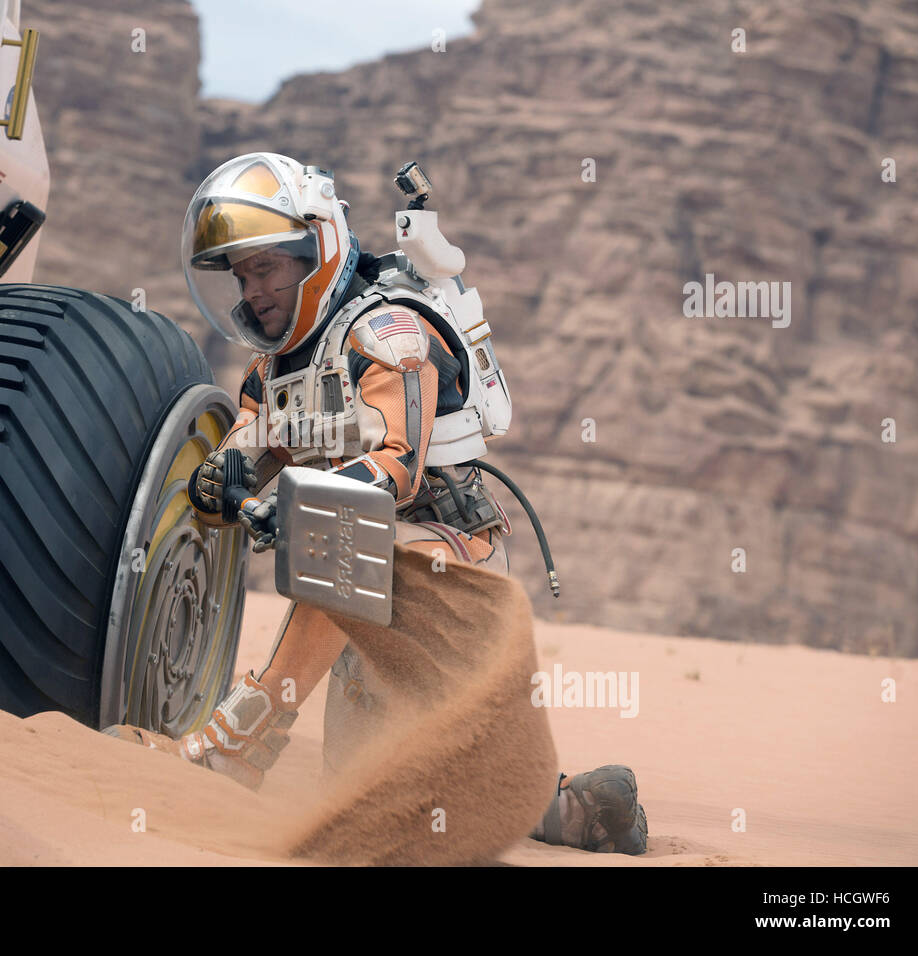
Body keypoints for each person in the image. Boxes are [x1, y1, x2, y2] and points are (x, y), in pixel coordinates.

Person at [103, 152, 647, 854]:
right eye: (241, 275)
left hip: (446, 562)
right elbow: (236, 463)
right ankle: (582, 809)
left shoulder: (388, 334)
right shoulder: (275, 367)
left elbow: (399, 469)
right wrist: (221, 484)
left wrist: (298, 505)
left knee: (339, 547)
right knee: (388, 781)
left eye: (266, 268)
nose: (253, 289)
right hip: (364, 569)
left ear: (316, 250)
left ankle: (232, 751)